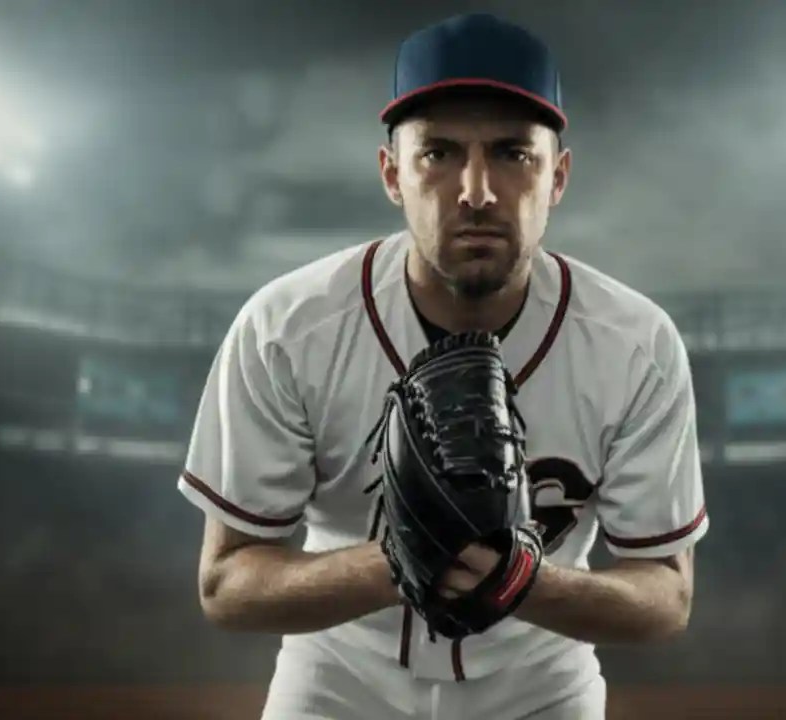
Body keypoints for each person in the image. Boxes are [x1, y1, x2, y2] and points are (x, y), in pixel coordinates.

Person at [177, 12, 708, 720]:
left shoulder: (634, 344)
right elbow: (225, 584)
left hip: (540, 688)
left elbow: (666, 598)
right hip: (338, 683)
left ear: (558, 177)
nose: (477, 190)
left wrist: (521, 578)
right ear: (393, 173)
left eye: (514, 153)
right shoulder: (287, 330)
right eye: (440, 153)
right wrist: (399, 555)